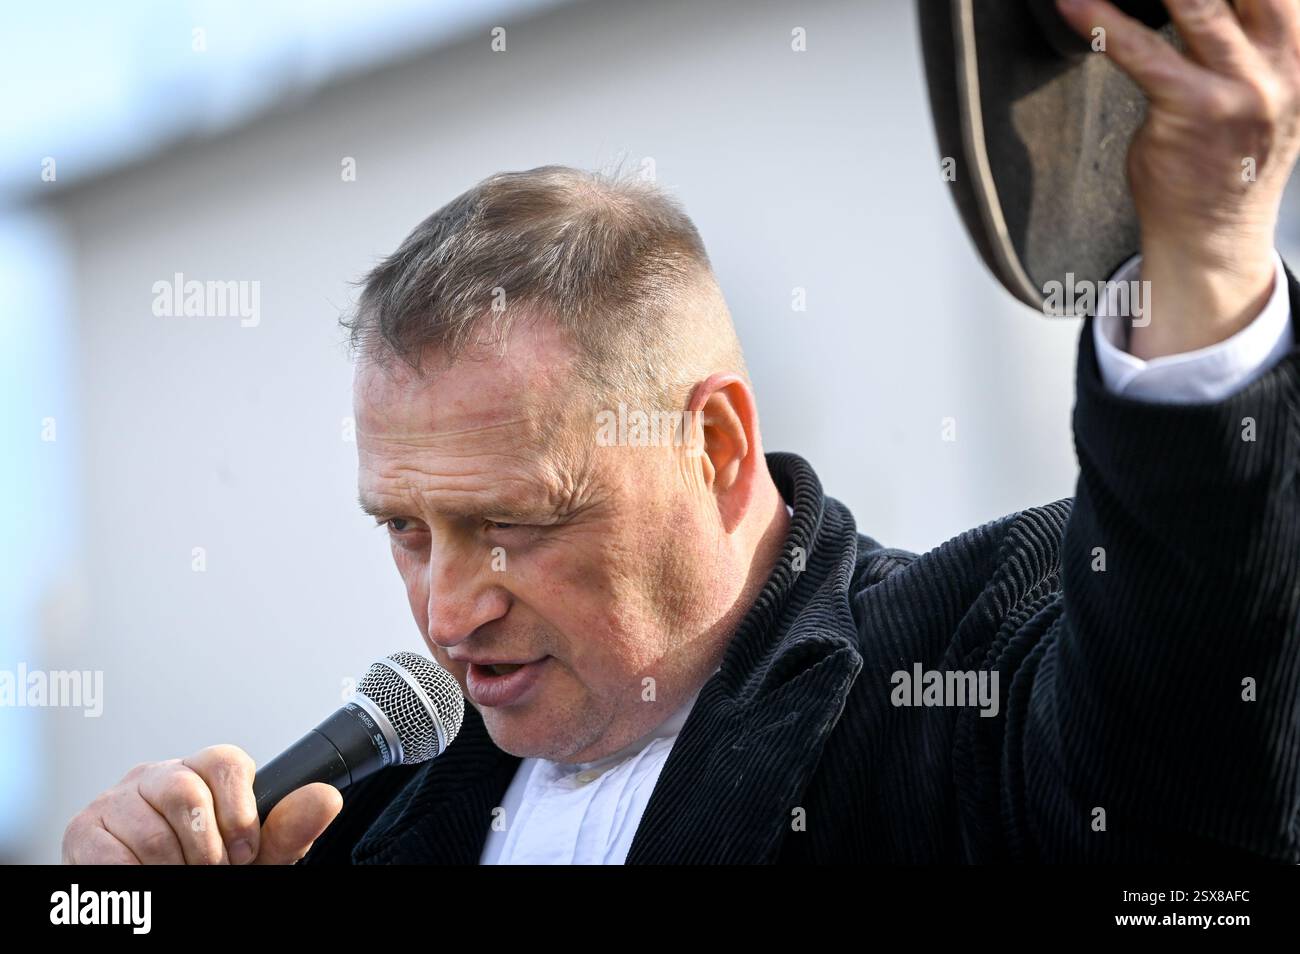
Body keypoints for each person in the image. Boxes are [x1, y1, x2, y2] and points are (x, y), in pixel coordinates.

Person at [63, 0, 1300, 864]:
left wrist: (1201, 263)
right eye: (406, 531)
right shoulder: (344, 828)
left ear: (713, 447)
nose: (448, 613)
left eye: (515, 525)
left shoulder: (970, 667)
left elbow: (1182, 795)